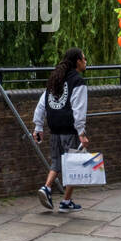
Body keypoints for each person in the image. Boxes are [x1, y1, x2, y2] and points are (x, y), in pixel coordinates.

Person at [33, 48, 89, 211]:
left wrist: (38, 125)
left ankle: (46, 188)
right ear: (78, 61)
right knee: (74, 165)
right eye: (84, 59)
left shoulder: (55, 78)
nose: (86, 62)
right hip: (69, 129)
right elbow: (79, 109)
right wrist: (81, 133)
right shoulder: (77, 81)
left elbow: (42, 103)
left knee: (56, 163)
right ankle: (66, 201)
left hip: (54, 128)